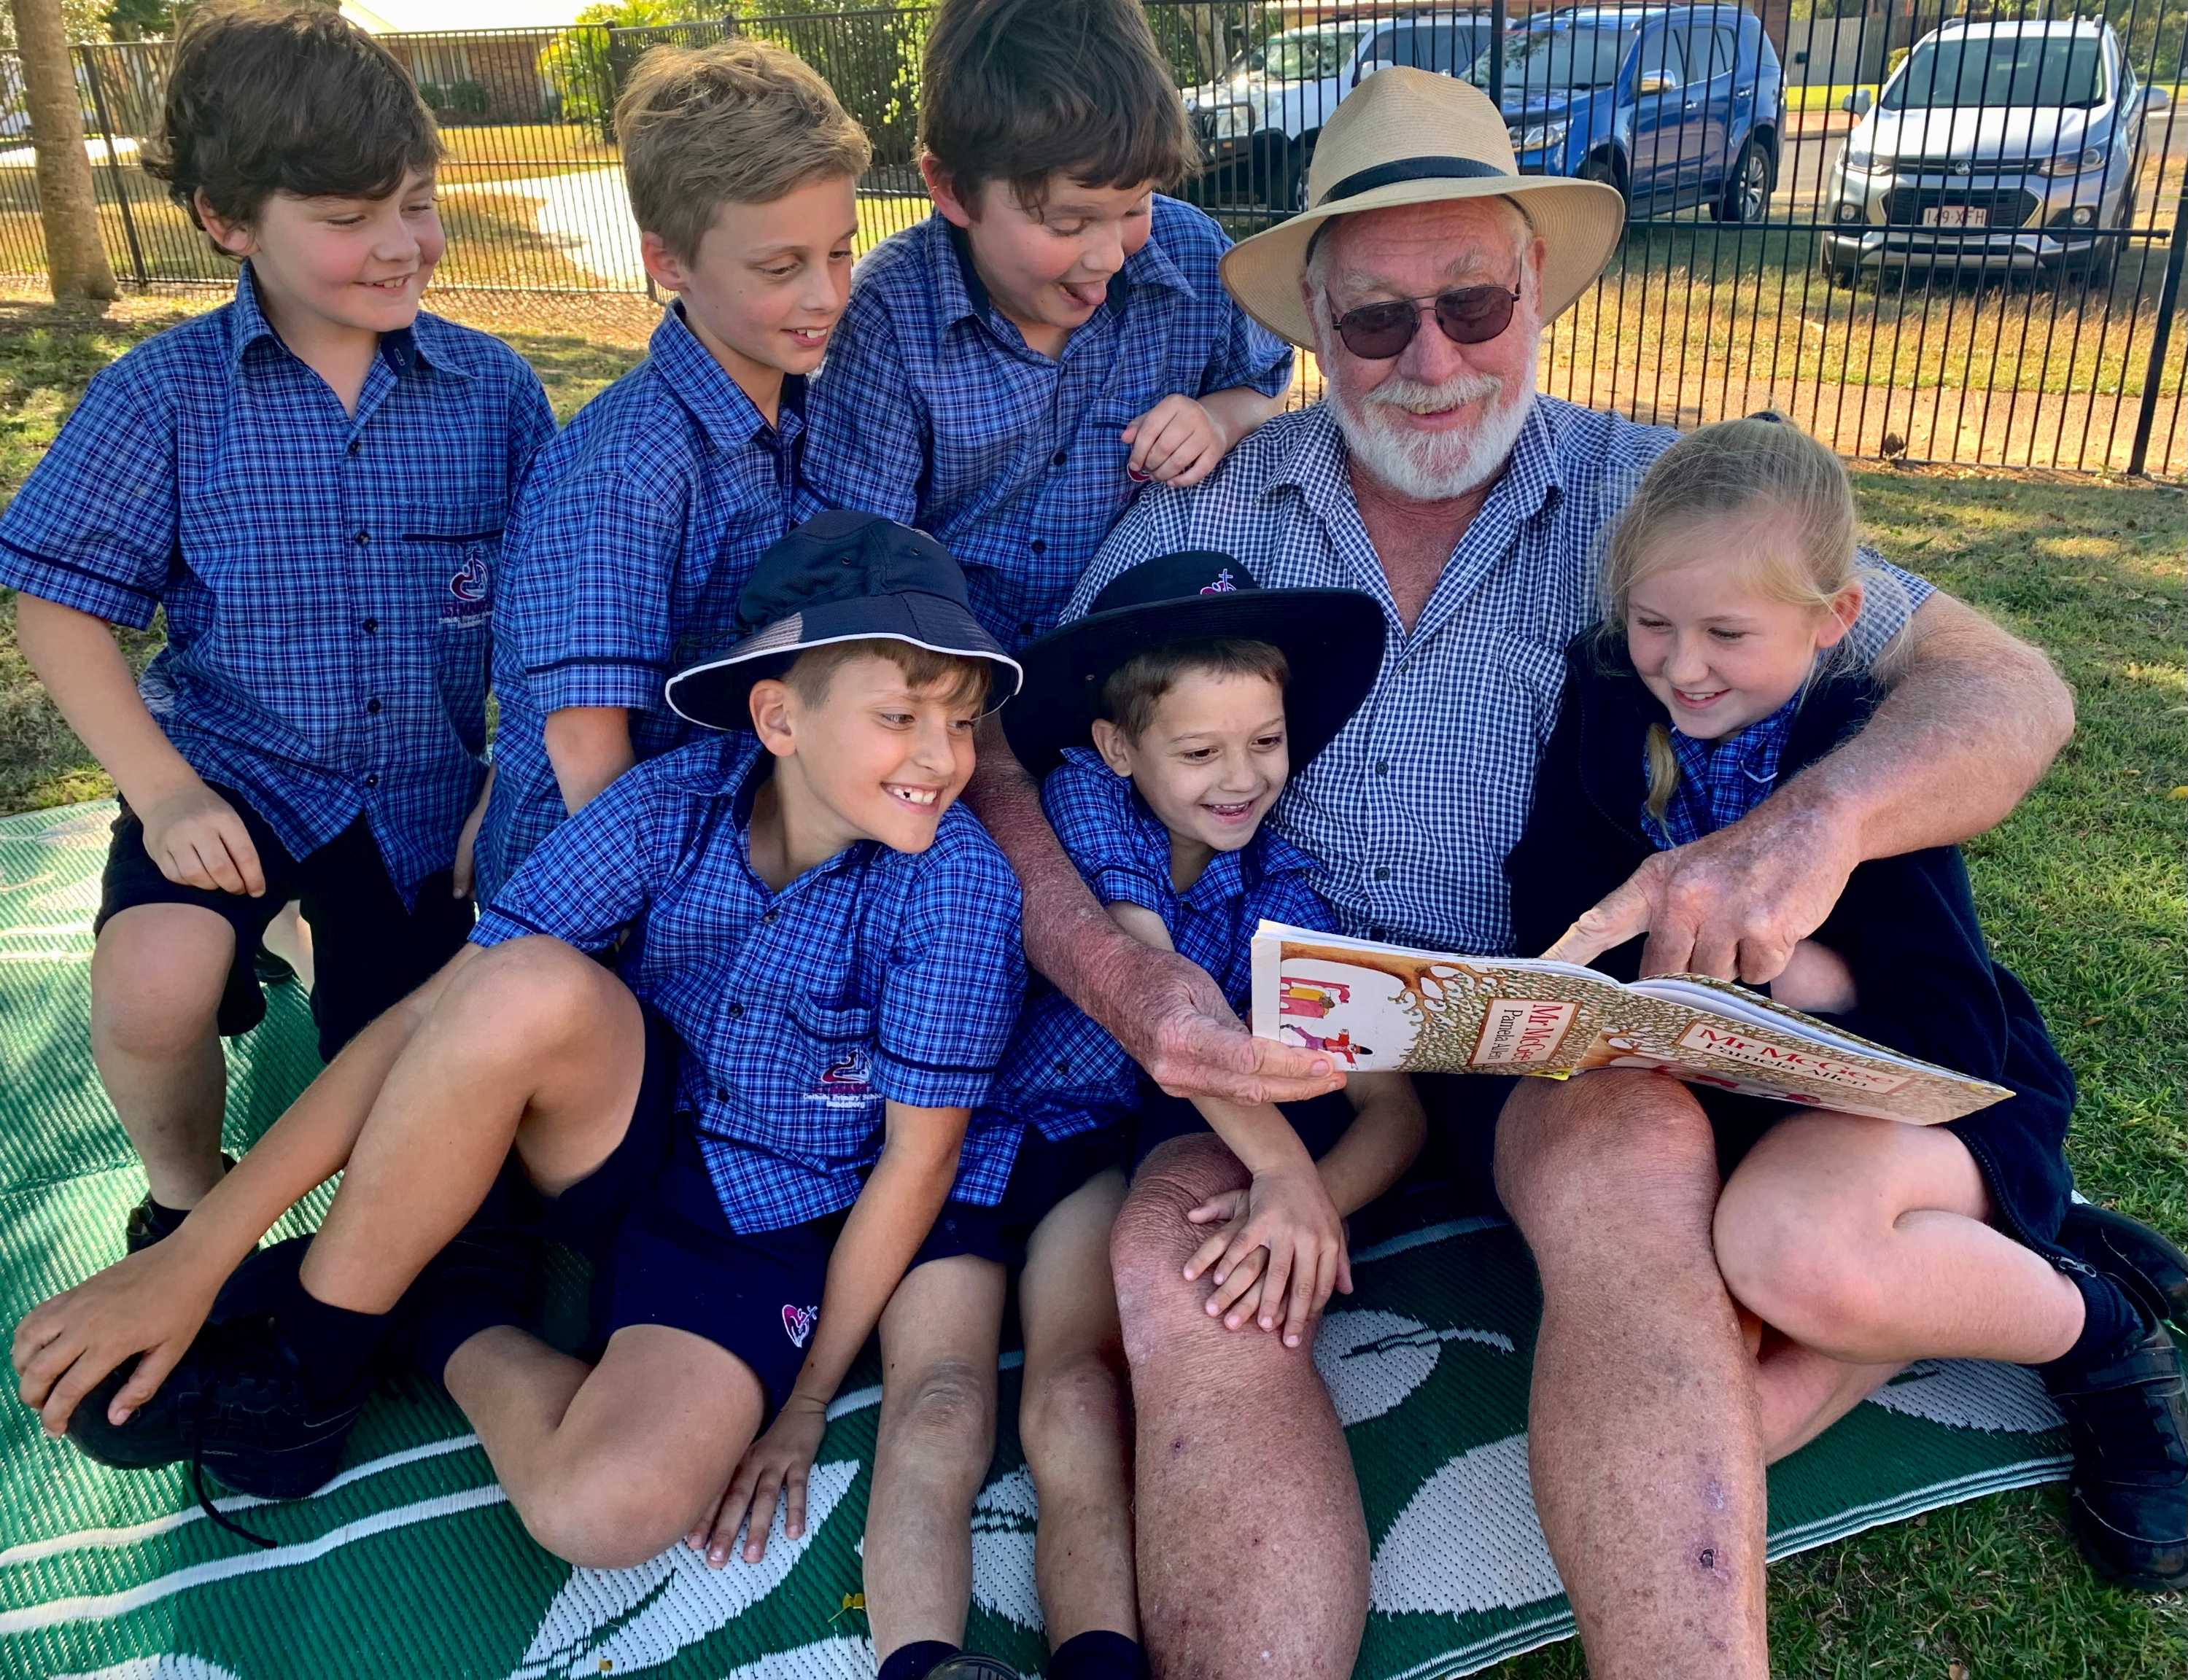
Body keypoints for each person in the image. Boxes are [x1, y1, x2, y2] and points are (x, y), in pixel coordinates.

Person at [961, 68, 2100, 1680]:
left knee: (1635, 1165)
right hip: (1284, 1026)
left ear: (1540, 289)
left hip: (1557, 1035)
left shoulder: (1667, 504)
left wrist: (1807, 826)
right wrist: (1119, 968)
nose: (1430, 359)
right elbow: (1011, 751)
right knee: (1178, 1260)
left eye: (1474, 303)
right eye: (1376, 321)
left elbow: (2007, 686)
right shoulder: (1216, 506)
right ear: (1316, 326)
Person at [15, 515, 1031, 1579]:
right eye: (899, 716)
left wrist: (807, 1401)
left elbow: (919, 1163)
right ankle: (316, 1355)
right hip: (618, 1128)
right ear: (778, 717)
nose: (942, 758)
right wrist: (192, 1256)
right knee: (521, 981)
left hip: (766, 1209)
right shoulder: (677, 798)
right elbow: (434, 1013)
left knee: (605, 1510)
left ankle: (443, 1312)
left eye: (962, 722)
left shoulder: (957, 888)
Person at [1505, 413, 2187, 1590]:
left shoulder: (1863, 754)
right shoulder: (1607, 698)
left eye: (1728, 632)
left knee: (1787, 1254)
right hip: (1730, 1122)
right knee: (1709, 1422)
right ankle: (1978, 1259)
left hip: (1931, 1102)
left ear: (1833, 619)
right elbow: (1559, 897)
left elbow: (1953, 1032)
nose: (1683, 664)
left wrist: (1810, 991)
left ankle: (2095, 1330)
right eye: (1655, 623)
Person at [0, 2, 552, 1253]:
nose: (402, 244)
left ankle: (299, 945)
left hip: (422, 800)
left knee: (413, 1078)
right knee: (155, 985)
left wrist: (512, 780)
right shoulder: (161, 396)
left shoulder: (497, 391)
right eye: (350, 219)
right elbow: (59, 601)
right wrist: (163, 794)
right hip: (232, 779)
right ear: (227, 220)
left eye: (418, 202)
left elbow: (553, 614)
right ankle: (185, 1207)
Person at [839, 554, 1422, 1680]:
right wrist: (1282, 1172)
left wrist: (1310, 1201)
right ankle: (922, 1664)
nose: (1241, 778)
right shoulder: (1086, 806)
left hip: (1083, 1154)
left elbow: (1389, 1107)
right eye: (1199, 753)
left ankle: (1096, 1659)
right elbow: (1161, 1008)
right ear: (1118, 747)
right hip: (957, 1136)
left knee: (1076, 1395)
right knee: (942, 1401)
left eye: (1266, 741)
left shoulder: (1279, 890)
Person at [471, 41, 870, 903]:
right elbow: (586, 747)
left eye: (841, 252)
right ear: (667, 262)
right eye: (781, 267)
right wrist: (649, 920)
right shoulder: (630, 469)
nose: (827, 295)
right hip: (608, 885)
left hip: (729, 834)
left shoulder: (802, 402)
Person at [796, 0, 1294, 650]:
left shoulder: (1192, 255)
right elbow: (859, 565)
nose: (1110, 256)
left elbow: (1267, 386)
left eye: (1135, 206)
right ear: (952, 189)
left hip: (1135, 659)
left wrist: (1219, 420)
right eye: (1068, 223)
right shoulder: (888, 317)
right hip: (955, 666)